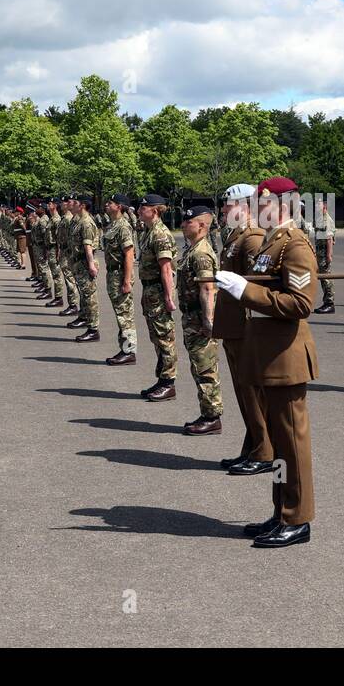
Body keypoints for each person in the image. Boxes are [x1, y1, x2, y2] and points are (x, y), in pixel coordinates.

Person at [214, 176, 318, 549]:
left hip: (287, 357)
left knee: (292, 442)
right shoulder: (273, 243)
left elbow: (301, 304)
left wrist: (246, 291)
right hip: (270, 355)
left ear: (283, 205)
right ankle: (281, 511)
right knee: (278, 441)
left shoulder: (296, 245)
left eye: (263, 204)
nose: (257, 211)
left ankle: (297, 518)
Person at [212, 183, 273, 473]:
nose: (224, 210)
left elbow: (255, 288)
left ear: (244, 206)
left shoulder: (252, 238)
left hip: (245, 326)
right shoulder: (237, 235)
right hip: (233, 325)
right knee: (244, 392)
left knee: (252, 392)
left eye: (228, 204)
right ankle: (252, 447)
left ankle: (263, 452)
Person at [177, 205, 223, 435]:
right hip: (192, 317)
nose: (184, 225)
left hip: (199, 318)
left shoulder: (201, 253)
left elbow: (207, 289)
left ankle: (212, 416)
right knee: (199, 367)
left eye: (189, 222)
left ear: (202, 226)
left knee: (205, 368)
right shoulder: (193, 249)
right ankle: (207, 412)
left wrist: (208, 321)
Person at [136, 193, 178, 401]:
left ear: (154, 210)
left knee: (165, 337)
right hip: (149, 290)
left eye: (143, 208)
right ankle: (162, 379)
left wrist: (169, 297)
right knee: (156, 337)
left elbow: (166, 268)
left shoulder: (160, 234)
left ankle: (169, 382)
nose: (139, 210)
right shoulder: (148, 231)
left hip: (158, 291)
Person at [101, 194, 138, 365]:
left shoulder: (123, 226)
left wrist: (127, 280)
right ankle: (124, 349)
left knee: (125, 316)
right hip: (113, 274)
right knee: (120, 315)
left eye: (111, 202)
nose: (107, 204)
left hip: (120, 274)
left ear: (119, 206)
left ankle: (129, 352)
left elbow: (129, 254)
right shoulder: (113, 225)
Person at [66, 195, 101, 342]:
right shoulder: (77, 221)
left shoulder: (86, 223)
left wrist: (91, 265)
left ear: (82, 206)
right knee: (85, 295)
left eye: (75, 203)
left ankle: (93, 329)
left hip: (86, 263)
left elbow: (88, 246)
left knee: (90, 297)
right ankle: (86, 320)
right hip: (79, 263)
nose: (71, 204)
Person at [313, 197, 336, 313]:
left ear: (325, 206)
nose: (316, 206)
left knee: (326, 278)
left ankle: (329, 303)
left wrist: (329, 255)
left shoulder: (326, 220)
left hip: (324, 255)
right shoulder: (320, 219)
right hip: (320, 254)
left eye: (319, 204)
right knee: (323, 278)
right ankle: (326, 302)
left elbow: (329, 239)